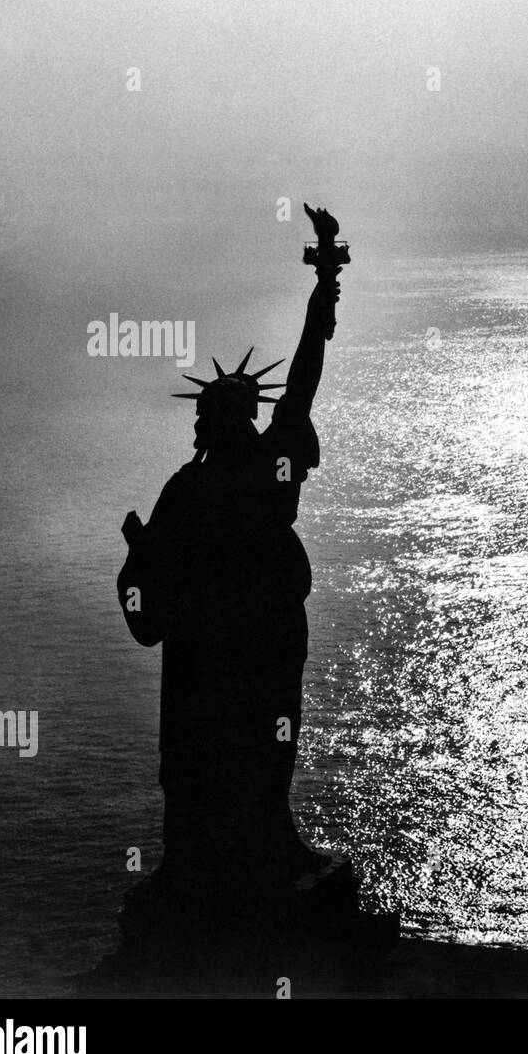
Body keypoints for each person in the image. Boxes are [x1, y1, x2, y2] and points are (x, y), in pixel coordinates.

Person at [117, 207, 342, 893]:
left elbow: (305, 368)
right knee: (213, 752)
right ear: (213, 419)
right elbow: (149, 580)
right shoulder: (203, 482)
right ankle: (216, 862)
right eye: (230, 405)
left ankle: (263, 845)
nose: (241, 410)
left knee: (264, 749)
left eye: (244, 402)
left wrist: (326, 272)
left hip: (257, 639)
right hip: (232, 643)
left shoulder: (253, 467)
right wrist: (139, 557)